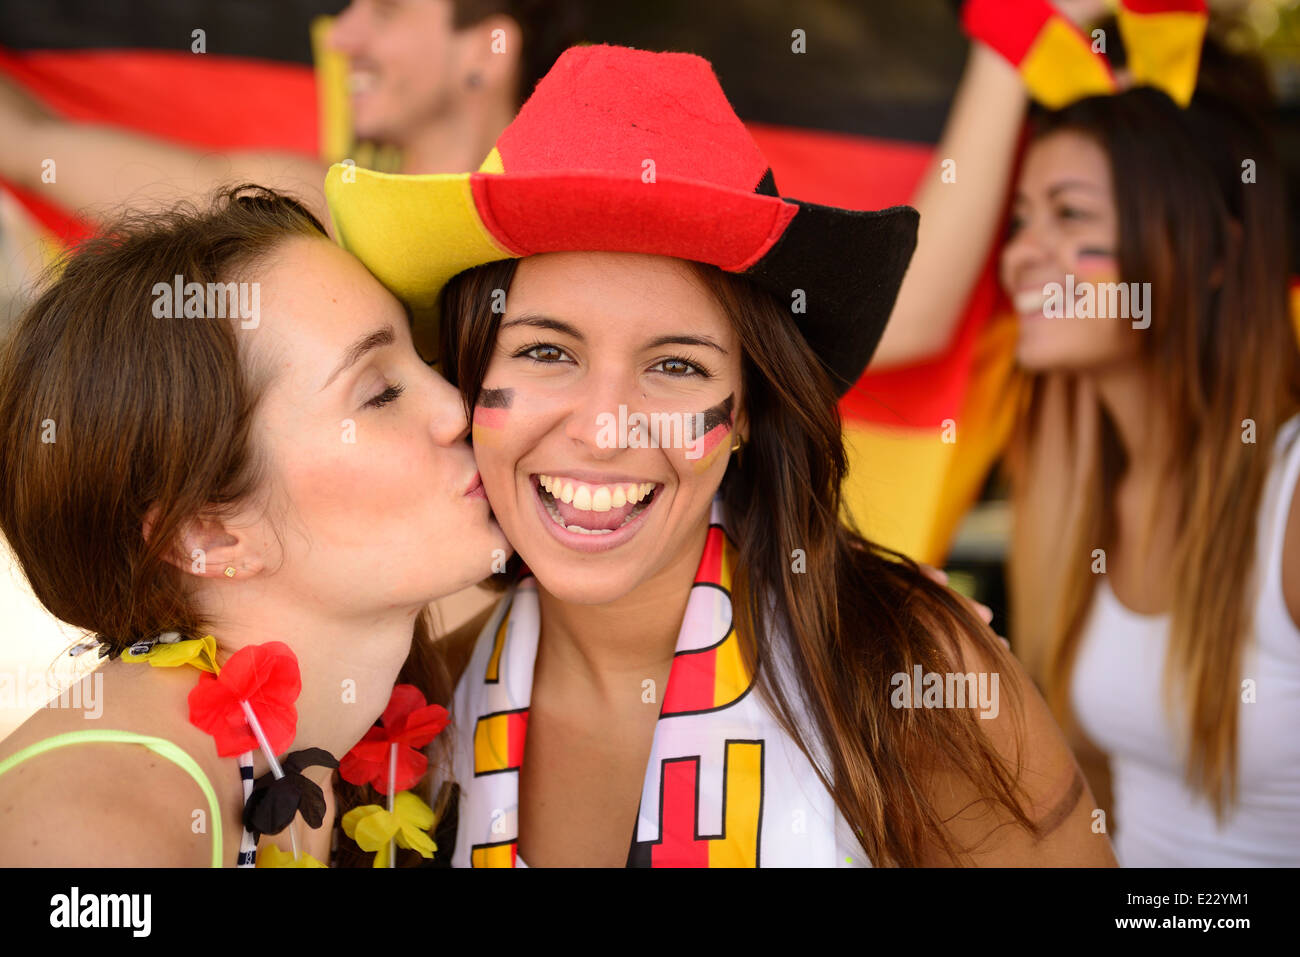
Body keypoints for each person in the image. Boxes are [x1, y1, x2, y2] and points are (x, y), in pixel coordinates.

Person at [327, 43, 1116, 867]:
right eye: (545, 353)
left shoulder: (910, 673)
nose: (605, 429)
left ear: (746, 410)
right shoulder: (414, 717)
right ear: (467, 371)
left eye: (676, 366)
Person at [0, 185, 509, 866]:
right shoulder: (97, 828)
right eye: (380, 393)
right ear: (207, 534)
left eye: (429, 361)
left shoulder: (340, 737)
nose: (459, 408)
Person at [0, 0, 584, 225]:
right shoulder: (320, 205)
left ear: (485, 50)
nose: (340, 39)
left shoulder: (570, 235)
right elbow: (27, 143)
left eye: (384, 13)